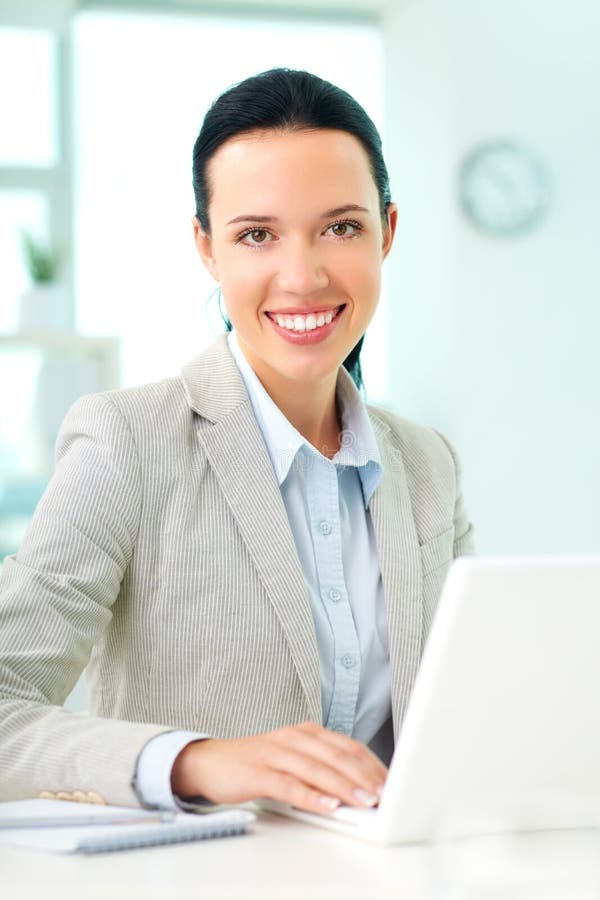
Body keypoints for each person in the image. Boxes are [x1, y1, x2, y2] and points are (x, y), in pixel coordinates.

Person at [0, 68, 474, 814]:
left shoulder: (427, 465)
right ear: (208, 248)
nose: (302, 275)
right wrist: (194, 761)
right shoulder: (126, 443)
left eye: (341, 227)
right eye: (258, 235)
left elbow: (470, 710)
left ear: (386, 232)